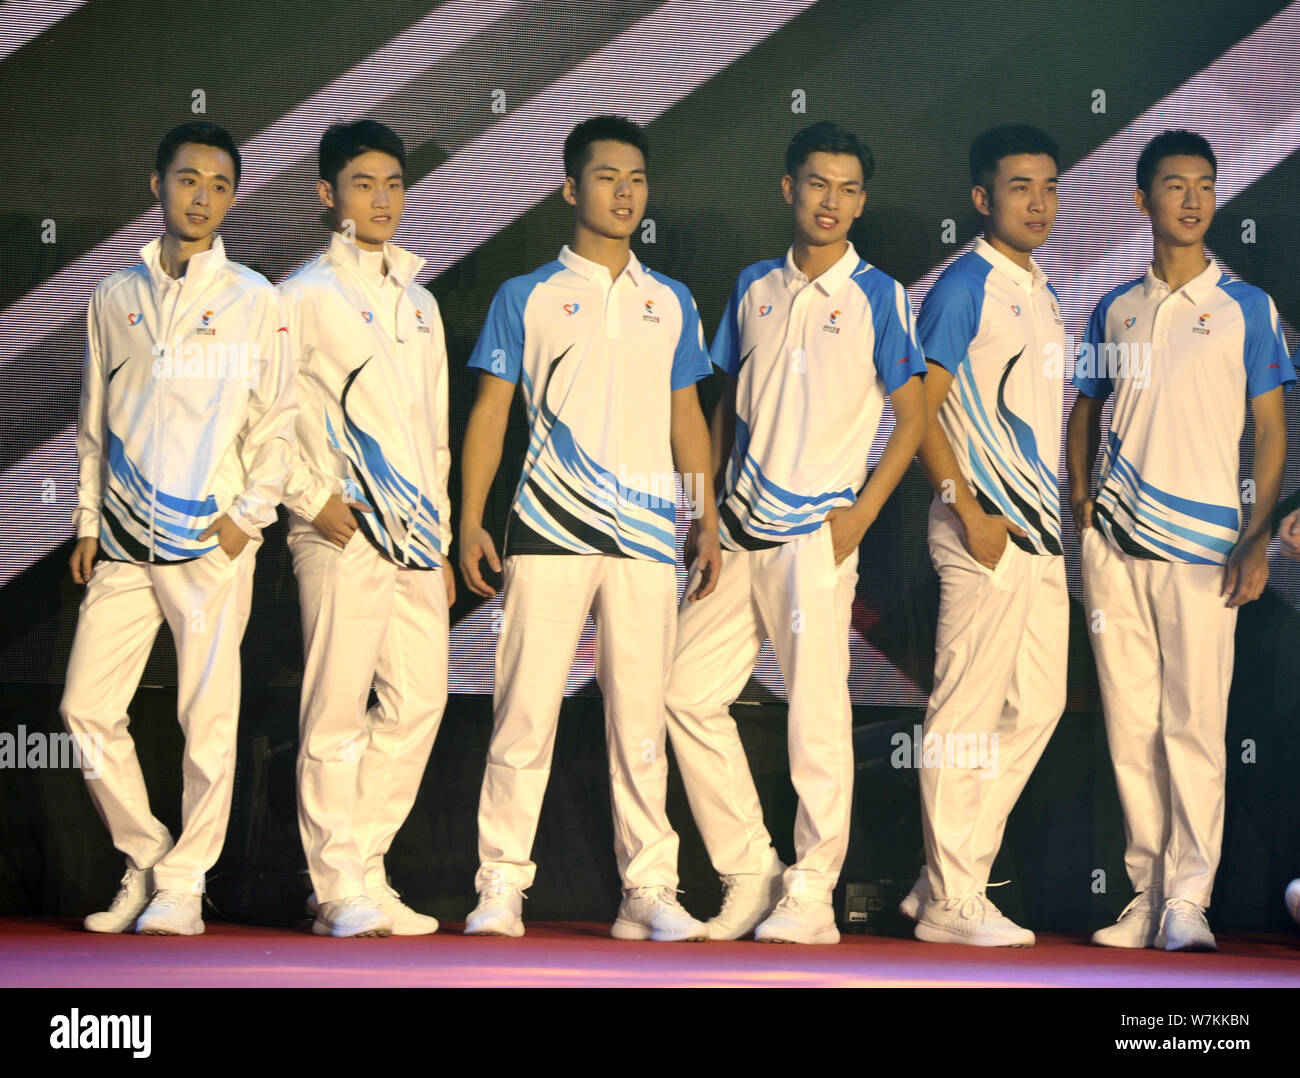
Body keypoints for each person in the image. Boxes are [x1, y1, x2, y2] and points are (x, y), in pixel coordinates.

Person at [663, 122, 927, 944]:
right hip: (737, 531)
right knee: (681, 693)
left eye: (849, 189)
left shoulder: (878, 293)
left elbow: (915, 418)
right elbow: (721, 408)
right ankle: (751, 869)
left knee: (816, 715)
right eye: (819, 184)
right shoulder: (753, 285)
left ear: (862, 200)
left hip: (818, 532)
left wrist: (861, 516)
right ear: (789, 187)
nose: (833, 202)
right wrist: (705, 519)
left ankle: (812, 891)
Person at [459, 115, 719, 941]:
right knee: (525, 714)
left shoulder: (669, 300)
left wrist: (704, 517)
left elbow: (689, 419)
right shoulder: (525, 295)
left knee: (640, 721)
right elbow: (490, 415)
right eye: (607, 177)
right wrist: (470, 520)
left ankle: (649, 890)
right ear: (572, 188)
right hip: (546, 531)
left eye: (636, 179)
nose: (624, 193)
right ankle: (500, 885)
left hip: (647, 541)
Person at [61, 120, 295, 935]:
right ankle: (148, 849)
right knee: (84, 710)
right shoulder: (112, 296)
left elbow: (278, 426)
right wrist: (88, 519)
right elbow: (95, 421)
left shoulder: (254, 299)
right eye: (188, 179)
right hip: (124, 540)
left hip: (210, 545)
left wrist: (242, 525)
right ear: (155, 185)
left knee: (208, 719)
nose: (202, 197)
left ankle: (186, 885)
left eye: (220, 185)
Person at [1070, 129, 1293, 952]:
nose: (1193, 198)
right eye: (1175, 185)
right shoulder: (1114, 306)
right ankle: (1145, 892)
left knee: (1193, 724)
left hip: (1205, 546)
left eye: (1205, 183)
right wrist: (1083, 498)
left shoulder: (1248, 306)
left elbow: (1270, 429)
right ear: (1142, 200)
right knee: (1132, 724)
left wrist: (1256, 534)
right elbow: (1086, 406)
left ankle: (1189, 900)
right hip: (1116, 547)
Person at [280, 120, 454, 938]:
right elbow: (263, 415)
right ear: (327, 195)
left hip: (419, 539)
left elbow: (437, 433)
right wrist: (314, 501)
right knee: (335, 712)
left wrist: (444, 538)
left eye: (393, 183)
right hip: (341, 534)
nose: (382, 200)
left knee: (420, 701)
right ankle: (334, 885)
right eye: (362, 185)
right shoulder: (302, 295)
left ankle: (362, 866)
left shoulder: (419, 301)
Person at [903, 125, 1068, 947]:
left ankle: (945, 875)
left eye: (1048, 186)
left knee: (1042, 704)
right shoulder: (965, 284)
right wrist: (964, 509)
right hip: (983, 531)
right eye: (1018, 188)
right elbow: (918, 406)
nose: (1037, 203)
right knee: (965, 713)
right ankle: (954, 898)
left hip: (1040, 540)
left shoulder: (1040, 289)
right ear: (981, 197)